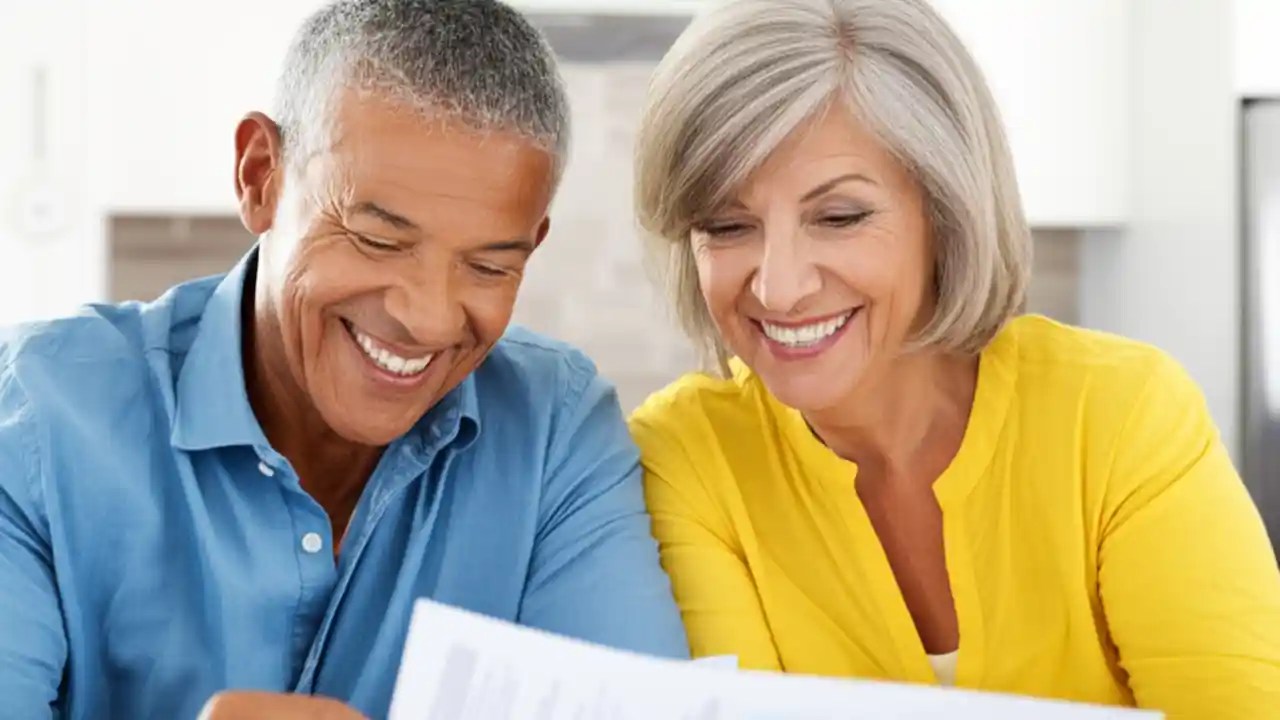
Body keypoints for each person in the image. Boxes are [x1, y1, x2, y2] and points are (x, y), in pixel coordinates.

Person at [0, 1, 689, 718]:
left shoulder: (555, 433)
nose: (426, 317)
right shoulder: (37, 423)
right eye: (378, 240)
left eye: (487, 266)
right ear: (260, 175)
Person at [629, 0, 1280, 717]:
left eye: (840, 217)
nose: (779, 287)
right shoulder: (687, 457)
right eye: (726, 226)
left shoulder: (1120, 417)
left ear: (945, 213)